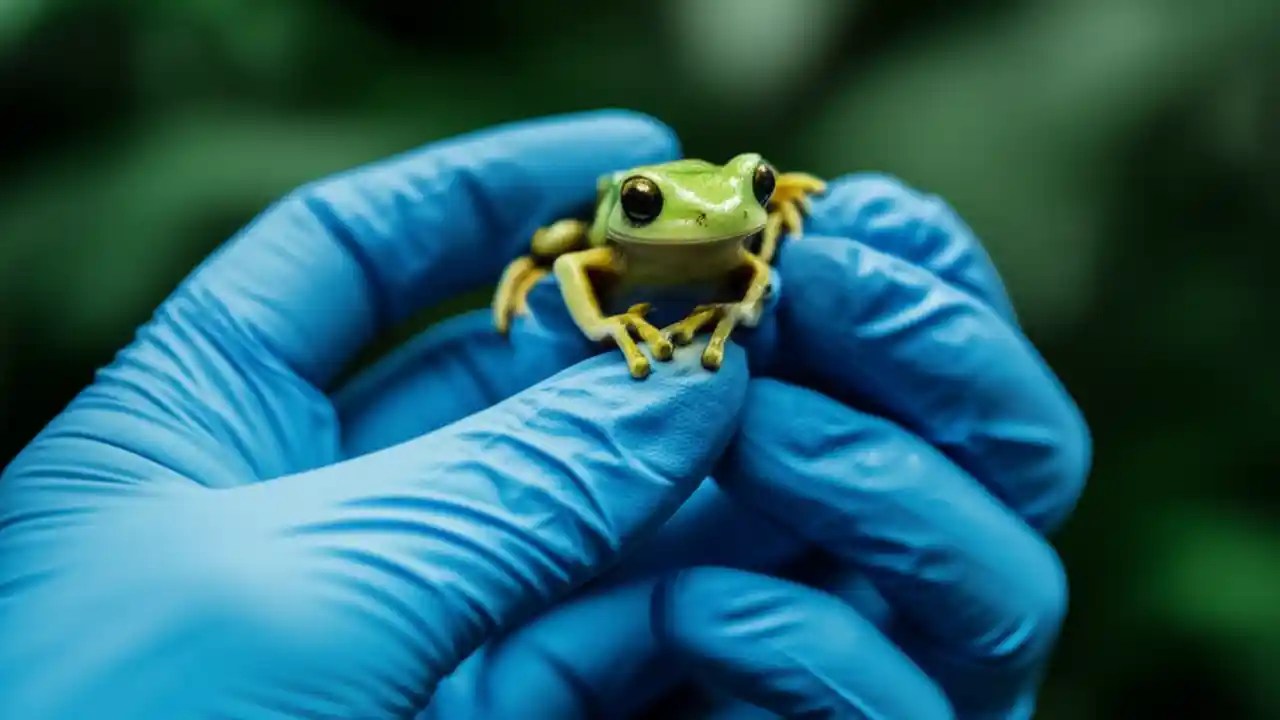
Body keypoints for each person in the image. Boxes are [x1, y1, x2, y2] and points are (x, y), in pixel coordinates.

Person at [0, 111, 1090, 719]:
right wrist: (613, 332)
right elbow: (571, 268)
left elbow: (755, 243)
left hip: (728, 344)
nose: (719, 209)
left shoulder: (751, 223)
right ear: (630, 207)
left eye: (752, 187)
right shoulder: (609, 240)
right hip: (621, 313)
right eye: (661, 198)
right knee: (551, 264)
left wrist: (761, 234)